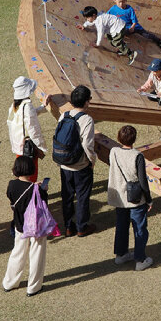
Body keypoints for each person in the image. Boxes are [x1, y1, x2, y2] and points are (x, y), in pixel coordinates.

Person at [2, 156, 49, 295]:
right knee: (37, 255)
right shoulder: (36, 189)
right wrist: (42, 189)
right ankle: (34, 286)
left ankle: (9, 283)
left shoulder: (11, 185)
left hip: (19, 225)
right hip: (36, 227)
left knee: (17, 253)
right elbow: (43, 204)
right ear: (31, 170)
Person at [109, 125, 153, 271]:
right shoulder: (137, 155)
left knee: (121, 226)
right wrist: (148, 199)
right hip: (135, 198)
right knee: (139, 228)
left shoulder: (113, 151)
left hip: (119, 197)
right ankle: (140, 259)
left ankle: (121, 254)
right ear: (134, 138)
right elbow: (143, 181)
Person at [57, 85, 97, 237]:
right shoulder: (86, 119)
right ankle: (81, 227)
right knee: (82, 197)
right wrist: (92, 160)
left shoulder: (64, 115)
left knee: (67, 197)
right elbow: (87, 144)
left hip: (64, 163)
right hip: (80, 166)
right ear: (87, 102)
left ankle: (68, 226)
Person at [7, 77, 46, 183]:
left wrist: (43, 107)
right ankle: (31, 195)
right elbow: (33, 129)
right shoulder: (27, 106)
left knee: (21, 173)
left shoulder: (14, 106)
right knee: (30, 173)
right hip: (28, 148)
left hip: (19, 147)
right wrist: (40, 146)